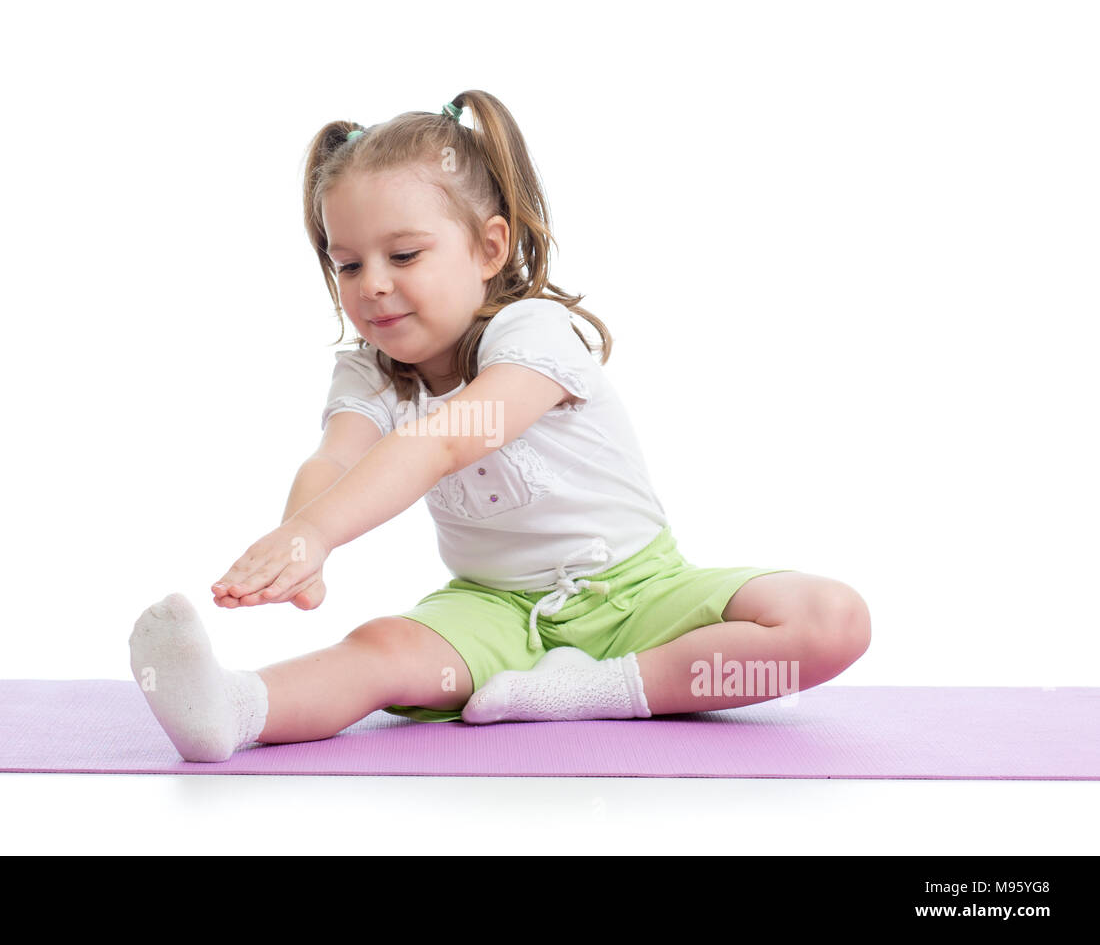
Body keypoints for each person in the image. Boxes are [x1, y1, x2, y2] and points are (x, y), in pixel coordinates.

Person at [128, 90, 871, 762]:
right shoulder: (369, 372)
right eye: (348, 265)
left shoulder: (534, 333)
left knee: (832, 620)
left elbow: (449, 438)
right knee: (381, 648)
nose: (373, 285)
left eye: (405, 254)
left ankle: (596, 690)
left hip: (640, 597)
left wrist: (321, 534)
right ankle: (234, 708)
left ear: (489, 247)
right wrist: (302, 538)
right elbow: (338, 458)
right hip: (493, 611)